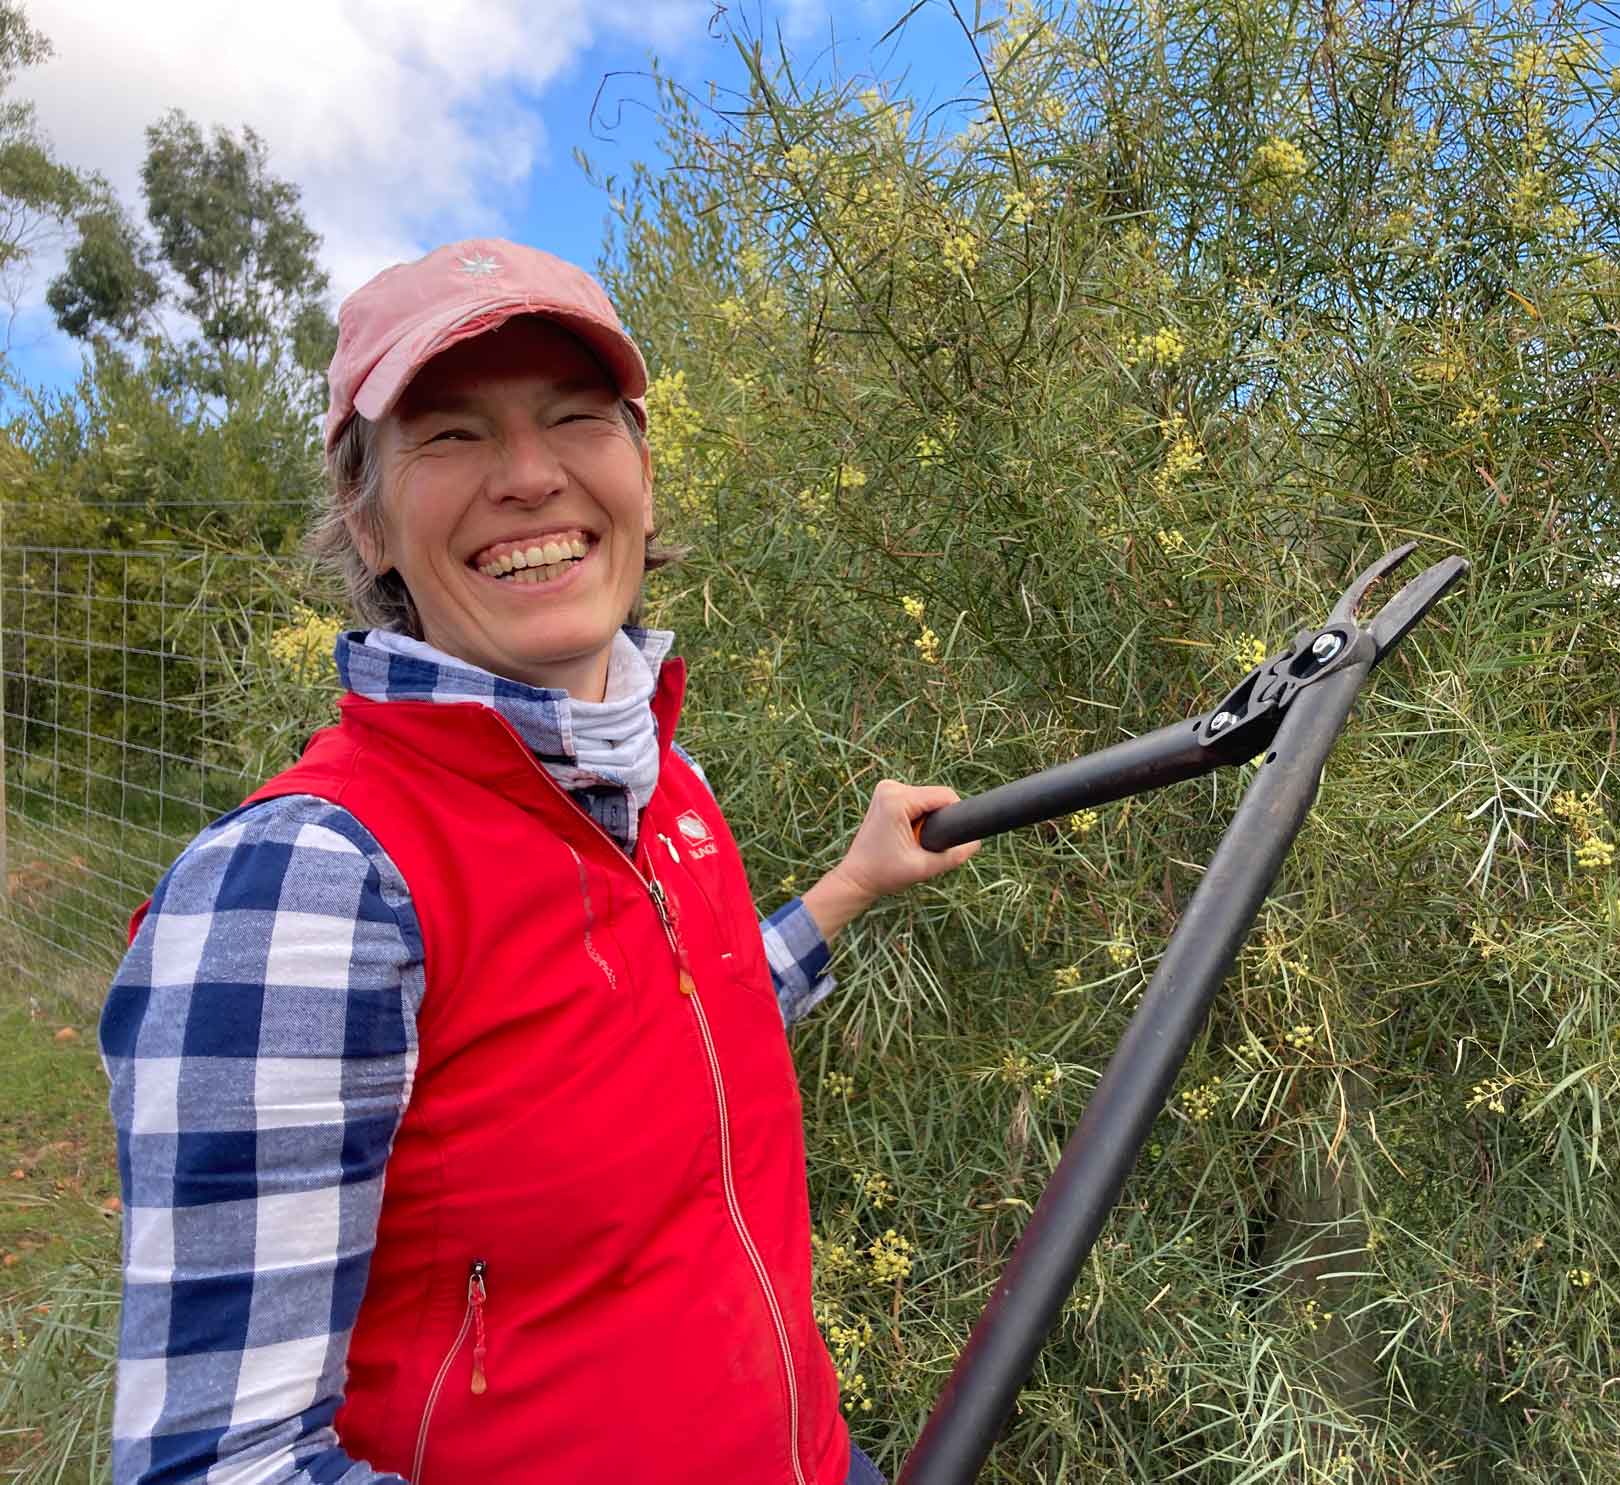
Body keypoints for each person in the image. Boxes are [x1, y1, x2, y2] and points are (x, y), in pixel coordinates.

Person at [99, 238, 979, 1484]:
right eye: (451, 436)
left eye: (575, 417)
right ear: (367, 520)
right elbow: (219, 1464)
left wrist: (850, 887)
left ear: (643, 476)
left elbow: (676, 1024)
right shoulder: (311, 881)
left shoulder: (666, 784)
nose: (527, 474)